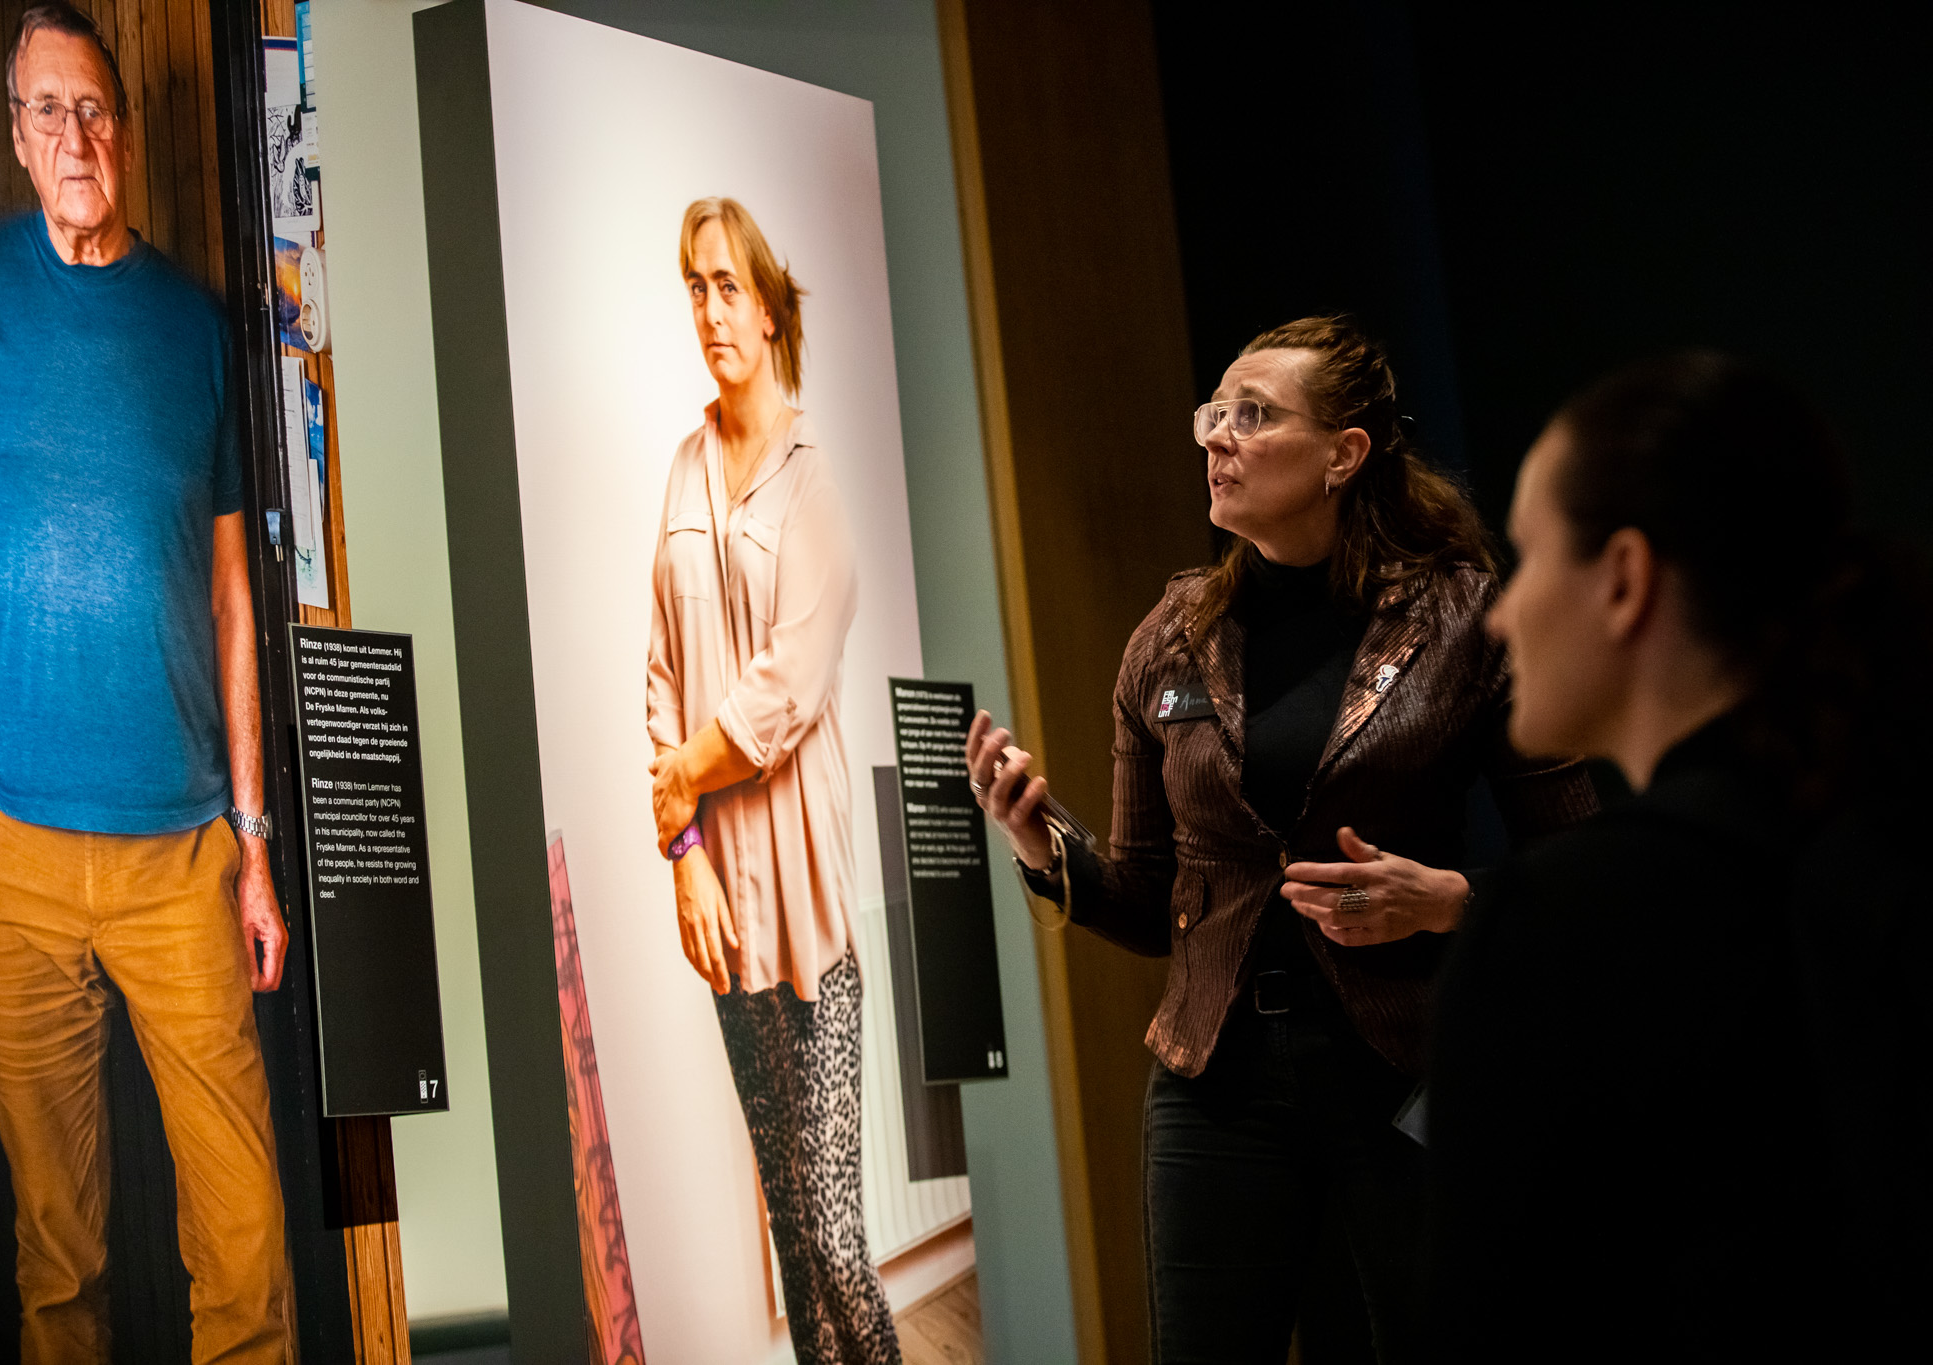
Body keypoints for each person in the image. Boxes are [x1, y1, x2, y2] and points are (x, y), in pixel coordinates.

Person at [968, 317, 1596, 1364]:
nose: (1216, 436)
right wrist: (1041, 843)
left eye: (1251, 416)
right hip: (1217, 1085)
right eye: (1213, 412)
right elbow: (1141, 899)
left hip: (1407, 1073)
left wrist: (1448, 901)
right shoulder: (1168, 637)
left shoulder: (1465, 619)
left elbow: (1580, 875)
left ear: (1343, 453)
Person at [0, 5, 294, 1361]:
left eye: (94, 109)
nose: (76, 133)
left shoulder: (193, 326)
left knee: (246, 1245)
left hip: (181, 852)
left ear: (117, 129)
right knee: (58, 1254)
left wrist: (251, 838)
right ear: (14, 135)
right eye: (48, 110)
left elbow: (237, 592)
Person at [1432, 352, 1931, 1361]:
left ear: (1623, 579)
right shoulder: (1886, 838)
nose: (1498, 613)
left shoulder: (1560, 924)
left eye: (1525, 559)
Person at [645, 197, 900, 1365]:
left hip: (805, 909)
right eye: (694, 287)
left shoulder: (816, 484)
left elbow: (780, 696)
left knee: (840, 1243)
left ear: (768, 304)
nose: (710, 311)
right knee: (790, 1241)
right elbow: (659, 671)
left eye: (728, 287)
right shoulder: (683, 467)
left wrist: (671, 792)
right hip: (721, 913)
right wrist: (685, 854)